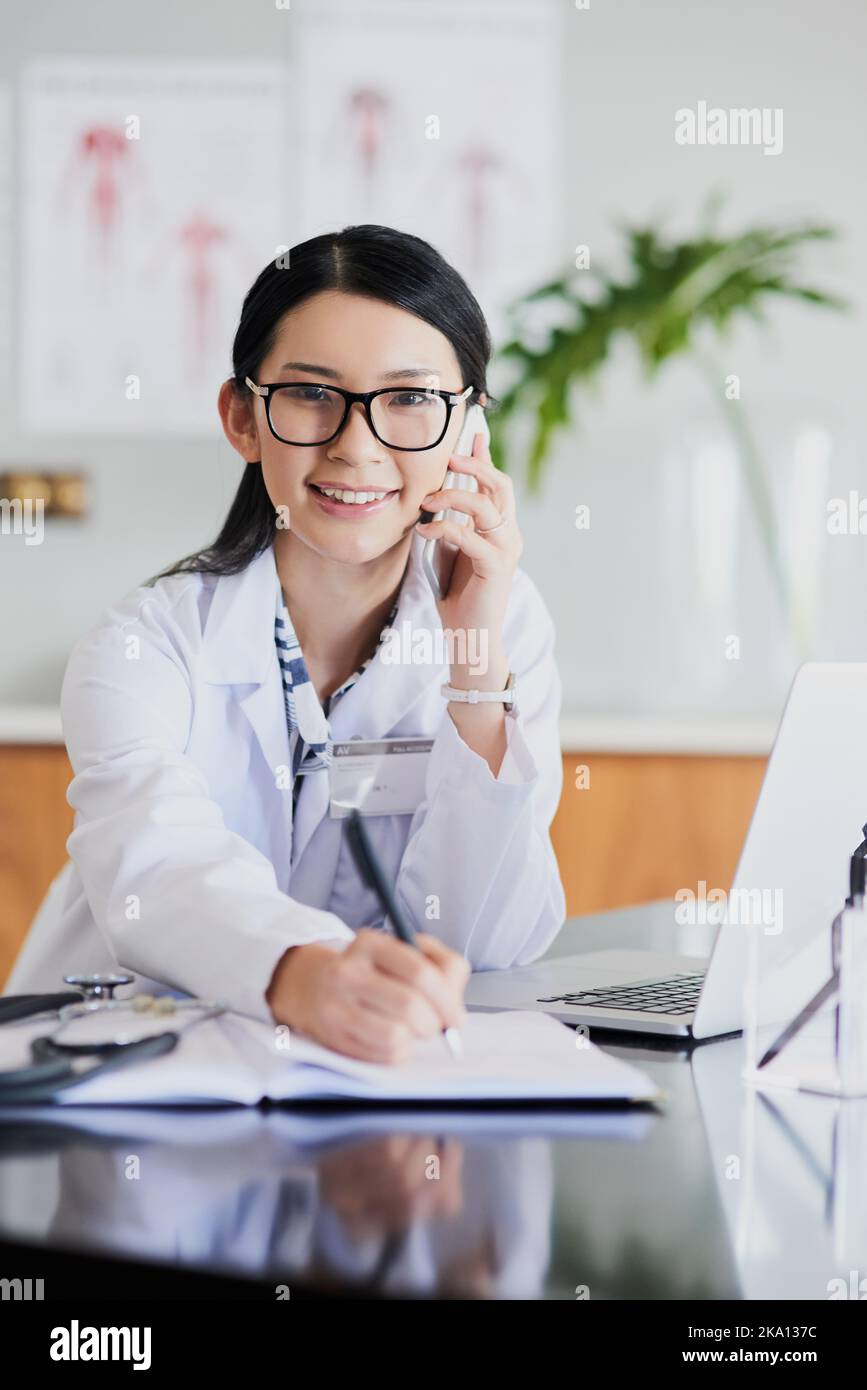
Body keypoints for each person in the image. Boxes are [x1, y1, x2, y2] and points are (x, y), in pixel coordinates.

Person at [6, 224, 566, 1063]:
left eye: (409, 399)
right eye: (311, 393)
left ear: (467, 431)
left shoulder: (504, 620)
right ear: (242, 417)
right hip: (122, 1084)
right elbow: (156, 874)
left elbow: (489, 940)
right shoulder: (145, 646)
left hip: (365, 1088)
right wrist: (301, 972)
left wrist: (473, 665)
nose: (357, 444)